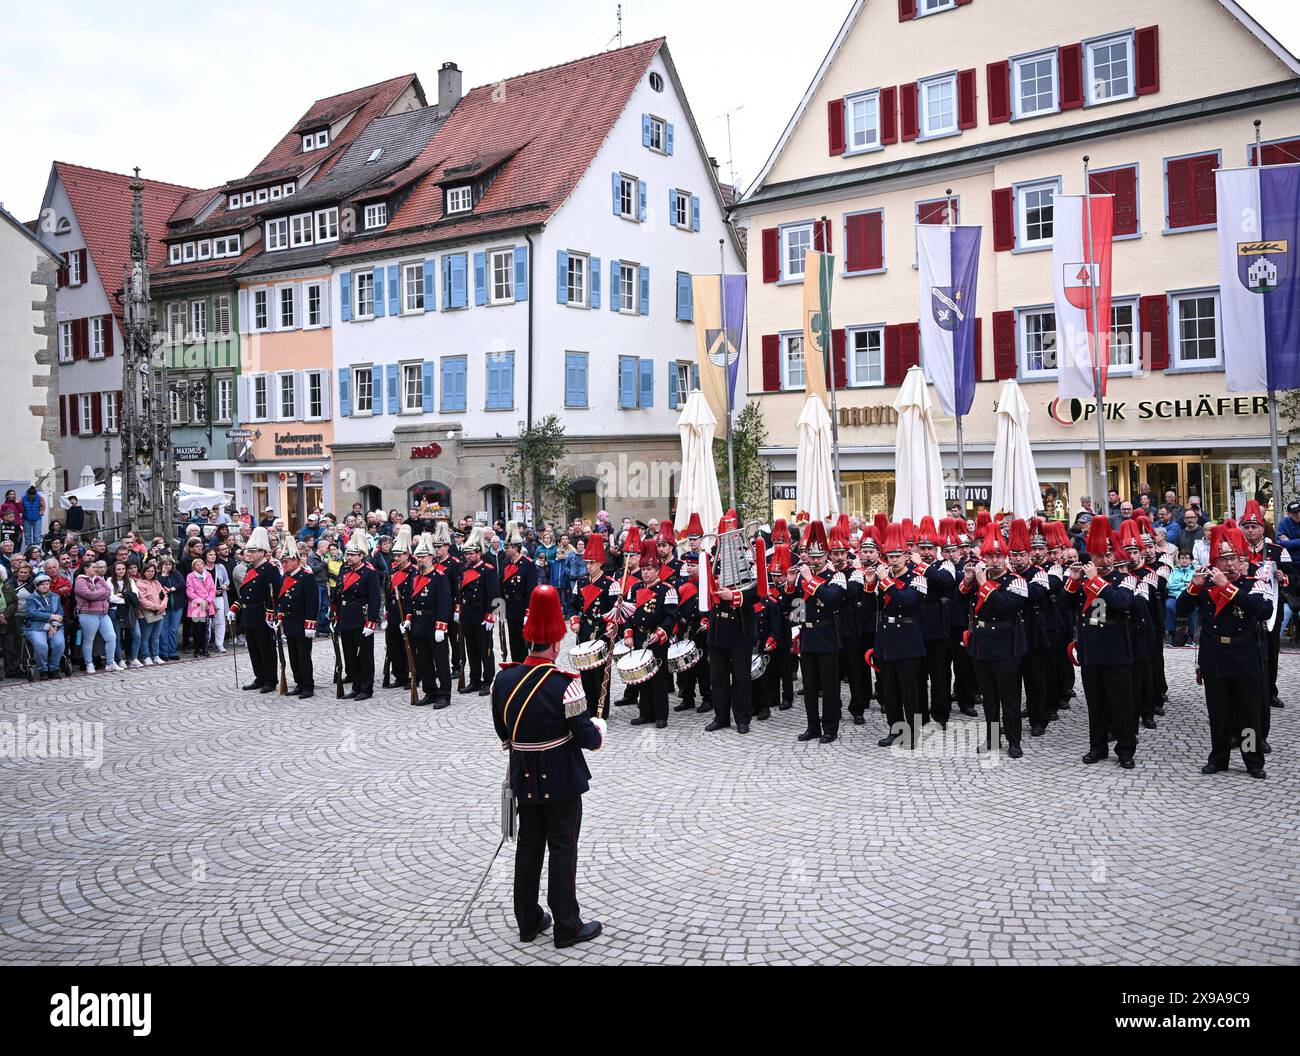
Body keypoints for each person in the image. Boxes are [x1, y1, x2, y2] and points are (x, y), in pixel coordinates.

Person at [491, 585, 605, 949]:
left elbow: (503, 732)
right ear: (558, 642)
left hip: (523, 775)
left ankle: (527, 920)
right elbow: (589, 739)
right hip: (561, 778)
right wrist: (598, 727)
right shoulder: (567, 685)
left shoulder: (502, 680)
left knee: (528, 846)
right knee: (562, 846)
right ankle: (566, 925)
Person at [1177, 525, 1270, 778]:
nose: (1230, 564)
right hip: (1214, 653)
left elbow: (1263, 611)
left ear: (1242, 560)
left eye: (1235, 558)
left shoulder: (1253, 583)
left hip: (1244, 653)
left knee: (1248, 714)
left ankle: (1252, 760)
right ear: (1214, 561)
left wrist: (1228, 588)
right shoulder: (1206, 585)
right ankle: (1219, 758)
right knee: (1218, 712)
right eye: (1224, 559)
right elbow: (1181, 609)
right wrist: (1193, 587)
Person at [1060, 519, 1138, 769]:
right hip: (1091, 648)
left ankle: (1125, 749)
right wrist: (1073, 580)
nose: (1103, 560)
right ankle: (1097, 746)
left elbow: (1122, 602)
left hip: (1116, 648)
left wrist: (1096, 581)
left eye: (1106, 555)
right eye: (1097, 555)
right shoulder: (1083, 579)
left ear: (1114, 555)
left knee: (1121, 704)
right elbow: (1063, 605)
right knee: (1096, 704)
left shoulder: (1124, 579)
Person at [962, 522, 1029, 757]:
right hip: (981, 644)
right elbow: (960, 602)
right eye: (990, 556)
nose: (995, 561)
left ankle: (1014, 741)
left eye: (999, 556)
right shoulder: (980, 578)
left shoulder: (1016, 581)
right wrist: (969, 581)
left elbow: (1004, 606)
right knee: (989, 698)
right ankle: (992, 739)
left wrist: (982, 583)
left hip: (1005, 645)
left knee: (1009, 697)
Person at [705, 512, 759, 735]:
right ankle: (721, 716)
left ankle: (743, 718)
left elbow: (757, 593)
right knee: (717, 677)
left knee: (741, 677)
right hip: (718, 627)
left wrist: (734, 597)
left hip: (741, 626)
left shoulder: (748, 560)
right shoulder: (712, 560)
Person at [794, 520, 846, 745]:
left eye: (819, 557)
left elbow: (831, 598)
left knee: (830, 687)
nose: (814, 561)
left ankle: (830, 728)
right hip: (807, 637)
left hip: (827, 637)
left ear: (827, 556)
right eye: (811, 556)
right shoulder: (802, 576)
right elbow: (796, 605)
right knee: (811, 686)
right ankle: (812, 726)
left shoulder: (836, 576)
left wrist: (808, 578)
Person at [1239, 499, 1291, 717]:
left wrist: (1284, 576)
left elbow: (1295, 577)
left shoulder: (1278, 551)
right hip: (1243, 608)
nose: (1250, 531)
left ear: (1262, 528)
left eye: (1254, 527)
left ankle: (1270, 690)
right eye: (1246, 527)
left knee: (1270, 649)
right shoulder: (1236, 551)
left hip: (1271, 606)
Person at [623, 537, 677, 729]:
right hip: (639, 636)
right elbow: (627, 615)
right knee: (642, 678)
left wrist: (661, 633)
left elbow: (671, 617)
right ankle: (645, 712)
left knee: (659, 678)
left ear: (657, 570)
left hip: (657, 638)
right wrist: (628, 634)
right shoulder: (635, 588)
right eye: (644, 569)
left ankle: (661, 715)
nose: (645, 573)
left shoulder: (666, 590)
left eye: (649, 570)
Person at [570, 530, 621, 716]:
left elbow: (616, 610)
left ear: (600, 562)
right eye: (587, 563)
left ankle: (601, 710)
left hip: (601, 631)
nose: (589, 566)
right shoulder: (581, 582)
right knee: (585, 670)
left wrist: (611, 627)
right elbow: (572, 606)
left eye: (592, 563)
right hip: (584, 630)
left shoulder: (610, 584)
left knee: (600, 672)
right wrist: (574, 621)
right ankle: (589, 707)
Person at [333, 528, 381, 701]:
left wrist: (372, 621)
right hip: (346, 615)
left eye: (353, 555)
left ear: (361, 556)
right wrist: (335, 616)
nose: (349, 557)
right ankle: (355, 685)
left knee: (364, 654)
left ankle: (366, 688)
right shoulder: (344, 571)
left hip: (361, 616)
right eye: (348, 554)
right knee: (350, 654)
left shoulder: (369, 573)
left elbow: (375, 599)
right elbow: (338, 595)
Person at [406, 529, 453, 708]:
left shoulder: (439, 577)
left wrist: (441, 626)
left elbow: (444, 603)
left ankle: (444, 695)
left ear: (431, 557)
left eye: (423, 557)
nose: (419, 560)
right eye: (417, 557)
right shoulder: (415, 576)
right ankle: (430, 691)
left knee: (440, 661)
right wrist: (409, 618)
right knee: (423, 661)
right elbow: (412, 600)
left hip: (434, 623)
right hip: (419, 624)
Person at [230, 526, 280, 692]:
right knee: (253, 649)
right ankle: (260, 677)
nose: (248, 554)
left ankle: (270, 679)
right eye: (248, 551)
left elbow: (274, 595)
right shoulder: (251, 569)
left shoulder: (270, 570)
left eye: (252, 551)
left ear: (262, 552)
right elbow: (245, 594)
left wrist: (271, 615)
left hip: (262, 614)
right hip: (249, 614)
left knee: (266, 649)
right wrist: (234, 609)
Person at [457, 527, 500, 696]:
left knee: (485, 649)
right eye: (466, 553)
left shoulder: (488, 570)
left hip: (482, 613)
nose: (467, 556)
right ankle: (474, 680)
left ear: (478, 553)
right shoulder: (464, 569)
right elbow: (460, 592)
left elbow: (494, 595)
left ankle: (488, 680)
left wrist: (490, 616)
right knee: (471, 649)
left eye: (471, 553)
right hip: (468, 613)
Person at [275, 536, 318, 698]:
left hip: (302, 621)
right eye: (283, 562)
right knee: (293, 655)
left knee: (303, 655)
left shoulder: (306, 577)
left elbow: (312, 602)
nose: (284, 565)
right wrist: (279, 616)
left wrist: (310, 624)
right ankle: (299, 683)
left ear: (295, 561)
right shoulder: (285, 577)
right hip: (289, 621)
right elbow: (282, 599)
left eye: (286, 562)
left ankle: (308, 685)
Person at [500, 527, 539, 663]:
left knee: (523, 643)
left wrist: (529, 612)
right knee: (513, 641)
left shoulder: (527, 565)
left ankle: (524, 667)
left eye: (507, 547)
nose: (505, 549)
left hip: (522, 607)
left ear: (515, 548)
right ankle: (516, 665)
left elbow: (531, 591)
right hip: (510, 607)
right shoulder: (505, 563)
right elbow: (502, 587)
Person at [384, 526, 414, 690]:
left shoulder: (413, 572)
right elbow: (388, 593)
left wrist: (409, 617)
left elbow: (411, 596)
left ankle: (413, 674)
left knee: (409, 646)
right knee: (394, 646)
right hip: (394, 614)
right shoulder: (393, 571)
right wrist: (386, 610)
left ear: (407, 555)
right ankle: (400, 675)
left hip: (407, 615)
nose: (396, 557)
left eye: (399, 554)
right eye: (394, 555)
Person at [75, 560, 119, 673]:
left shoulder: (99, 579)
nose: (97, 569)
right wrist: (101, 592)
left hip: (103, 613)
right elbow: (88, 595)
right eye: (94, 567)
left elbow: (109, 591)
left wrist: (97, 593)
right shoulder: (80, 581)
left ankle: (110, 663)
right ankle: (89, 664)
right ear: (86, 568)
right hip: (88, 614)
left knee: (111, 637)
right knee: (89, 640)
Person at [22, 573, 65, 678]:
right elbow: (32, 613)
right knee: (41, 645)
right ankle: (43, 670)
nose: (45, 586)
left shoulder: (55, 596)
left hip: (54, 626)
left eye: (47, 584)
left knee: (58, 644)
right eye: (42, 585)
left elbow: (60, 614)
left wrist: (54, 625)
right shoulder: (31, 598)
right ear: (36, 586)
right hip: (35, 627)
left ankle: (54, 669)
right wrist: (51, 616)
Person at [132, 561, 168, 665]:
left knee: (156, 636)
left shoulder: (157, 583)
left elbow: (164, 595)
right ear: (144, 572)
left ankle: (156, 655)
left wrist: (162, 606)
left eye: (152, 571)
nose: (150, 573)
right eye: (148, 571)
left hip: (160, 612)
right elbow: (142, 600)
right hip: (147, 613)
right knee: (145, 636)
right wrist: (157, 607)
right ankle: (146, 656)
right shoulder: (140, 583)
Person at [186, 557, 216, 659]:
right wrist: (201, 601)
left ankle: (205, 649)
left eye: (201, 564)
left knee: (206, 628)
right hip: (197, 605)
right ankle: (197, 649)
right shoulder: (190, 576)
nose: (199, 566)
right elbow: (190, 592)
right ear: (193, 567)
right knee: (197, 629)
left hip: (207, 604)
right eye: (197, 565)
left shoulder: (208, 575)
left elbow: (212, 589)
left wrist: (208, 600)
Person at [1166, 550, 1197, 645]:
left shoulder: (1194, 572)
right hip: (1174, 596)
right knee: (1168, 607)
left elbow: (1193, 585)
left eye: (1186, 558)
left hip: (1189, 597)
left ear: (1191, 560)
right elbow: (1170, 585)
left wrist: (1179, 584)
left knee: (1193, 609)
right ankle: (1171, 634)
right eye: (1182, 558)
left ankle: (1191, 636)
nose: (1184, 560)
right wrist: (1184, 583)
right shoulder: (1174, 571)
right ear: (1179, 560)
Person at [159, 557, 186, 661]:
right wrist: (164, 575)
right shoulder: (158, 575)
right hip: (164, 607)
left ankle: (172, 652)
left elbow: (182, 583)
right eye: (165, 564)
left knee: (173, 630)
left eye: (169, 564)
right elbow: (159, 585)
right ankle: (164, 652)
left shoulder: (177, 574)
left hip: (177, 606)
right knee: (163, 630)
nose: (167, 566)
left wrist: (171, 589)